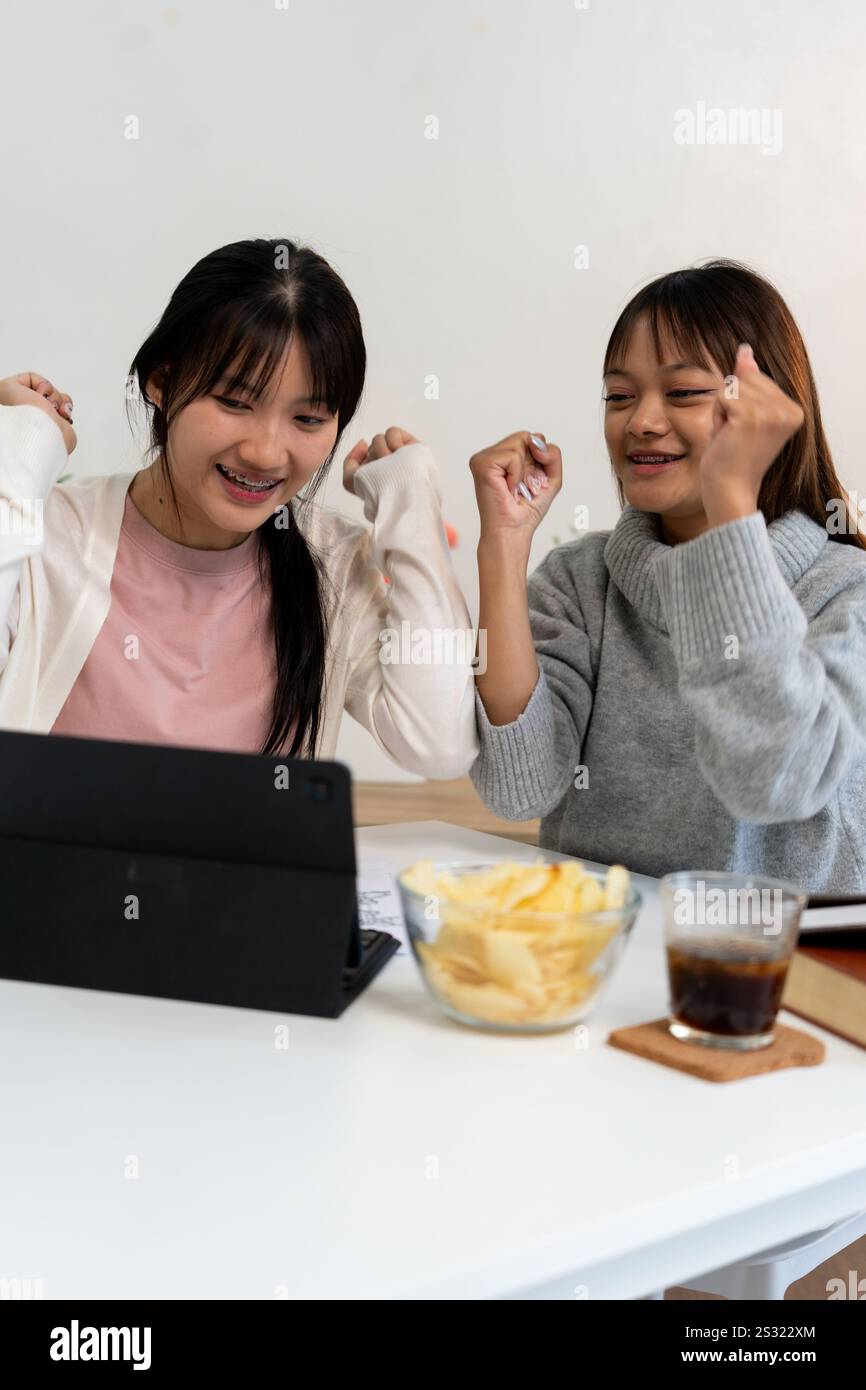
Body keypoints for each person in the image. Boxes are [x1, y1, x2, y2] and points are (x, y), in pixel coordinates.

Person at [0, 237, 478, 775]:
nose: (265, 452)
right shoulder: (50, 535)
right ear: (162, 380)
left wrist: (408, 499)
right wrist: (22, 451)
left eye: (308, 419)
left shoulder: (332, 565)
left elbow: (441, 745)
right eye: (234, 402)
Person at [469, 259, 866, 891]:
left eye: (682, 393)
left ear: (767, 412)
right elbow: (520, 785)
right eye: (619, 396)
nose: (642, 421)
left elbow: (773, 779)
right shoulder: (578, 579)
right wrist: (504, 545)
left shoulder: (846, 591)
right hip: (604, 947)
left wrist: (730, 499)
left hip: (786, 968)